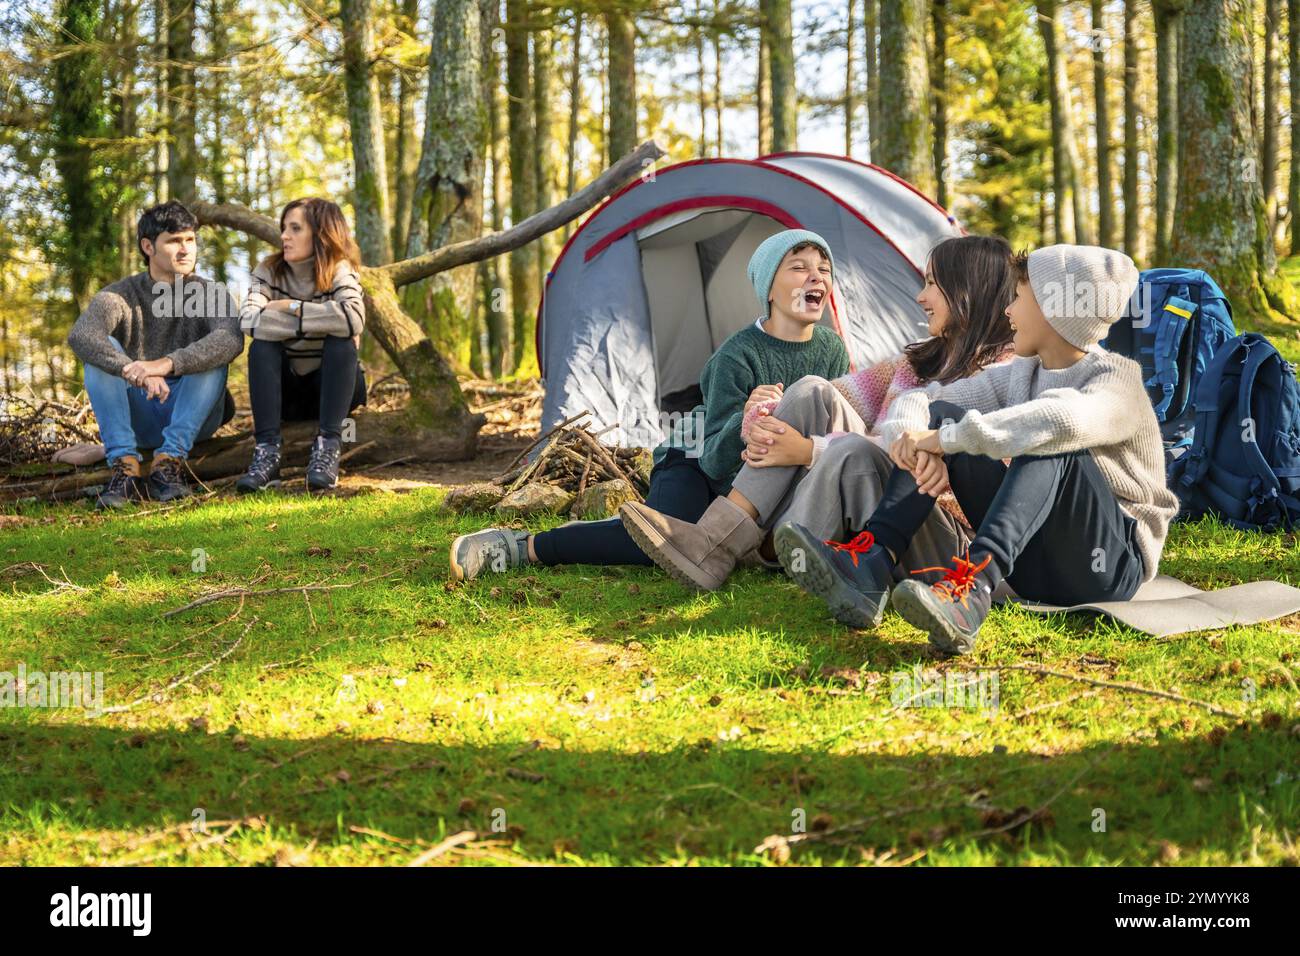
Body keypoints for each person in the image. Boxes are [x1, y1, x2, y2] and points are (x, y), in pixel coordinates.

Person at [774, 244, 1180, 656]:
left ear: (1056, 308)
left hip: (1107, 565)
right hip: (1031, 567)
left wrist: (944, 441)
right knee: (947, 414)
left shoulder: (1117, 381)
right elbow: (927, 401)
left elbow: (1058, 421)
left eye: (1019, 297)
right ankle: (873, 561)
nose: (1007, 311)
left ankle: (975, 589)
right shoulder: (1023, 373)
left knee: (1048, 440)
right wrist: (915, 441)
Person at [617, 234, 1017, 592]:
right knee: (811, 389)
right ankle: (714, 543)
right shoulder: (919, 362)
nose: (920, 297)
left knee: (847, 452)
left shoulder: (1003, 377)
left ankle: (766, 546)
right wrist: (763, 418)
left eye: (931, 283)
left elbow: (934, 467)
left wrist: (808, 450)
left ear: (967, 290)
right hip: (870, 499)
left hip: (939, 534)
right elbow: (829, 396)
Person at [449, 229, 851, 581]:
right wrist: (746, 420)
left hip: (754, 481)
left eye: (824, 268)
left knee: (721, 542)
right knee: (661, 543)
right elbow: (712, 459)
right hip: (694, 461)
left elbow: (826, 431)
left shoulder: (832, 350)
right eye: (799, 267)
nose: (816, 276)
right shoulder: (737, 356)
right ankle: (526, 546)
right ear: (768, 286)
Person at [68, 200, 242, 509]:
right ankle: (125, 469)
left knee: (212, 350)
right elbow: (82, 335)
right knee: (102, 350)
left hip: (195, 414)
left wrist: (165, 365)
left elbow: (230, 339)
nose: (186, 249)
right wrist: (130, 370)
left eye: (190, 240)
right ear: (148, 246)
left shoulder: (211, 293)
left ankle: (168, 463)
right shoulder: (119, 295)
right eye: (174, 241)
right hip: (141, 418)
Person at [235, 198, 367, 493]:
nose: (284, 236)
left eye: (295, 228)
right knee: (262, 347)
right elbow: (249, 321)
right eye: (284, 228)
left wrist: (292, 307)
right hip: (288, 393)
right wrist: (326, 317)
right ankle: (267, 454)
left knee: (342, 343)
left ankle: (327, 448)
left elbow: (354, 319)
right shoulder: (269, 270)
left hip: (334, 390)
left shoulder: (339, 270)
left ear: (320, 234)